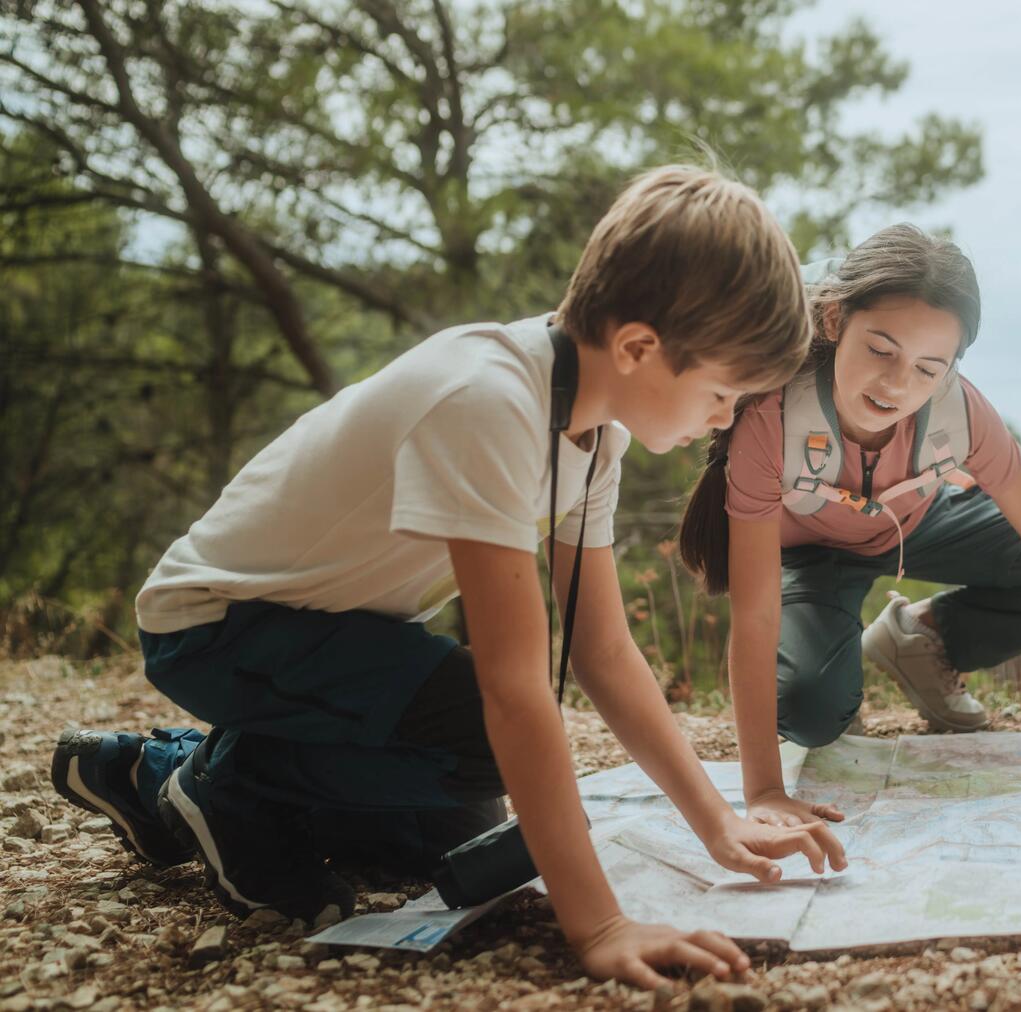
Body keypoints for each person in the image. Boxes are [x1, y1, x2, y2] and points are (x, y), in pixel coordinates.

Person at [50, 165, 846, 988]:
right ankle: (223, 787)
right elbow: (513, 690)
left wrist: (715, 821)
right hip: (215, 627)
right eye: (722, 394)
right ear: (640, 347)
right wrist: (601, 925)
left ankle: (152, 780)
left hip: (335, 634)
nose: (724, 420)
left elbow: (604, 649)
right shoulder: (489, 400)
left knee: (467, 820)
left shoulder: (594, 427)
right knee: (480, 730)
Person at [677, 224, 1021, 831]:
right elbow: (753, 612)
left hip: (921, 523)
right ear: (833, 322)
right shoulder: (772, 417)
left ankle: (923, 637)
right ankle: (832, 659)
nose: (898, 385)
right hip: (814, 555)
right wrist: (765, 791)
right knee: (810, 711)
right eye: (880, 350)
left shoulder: (962, 411)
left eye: (929, 368)